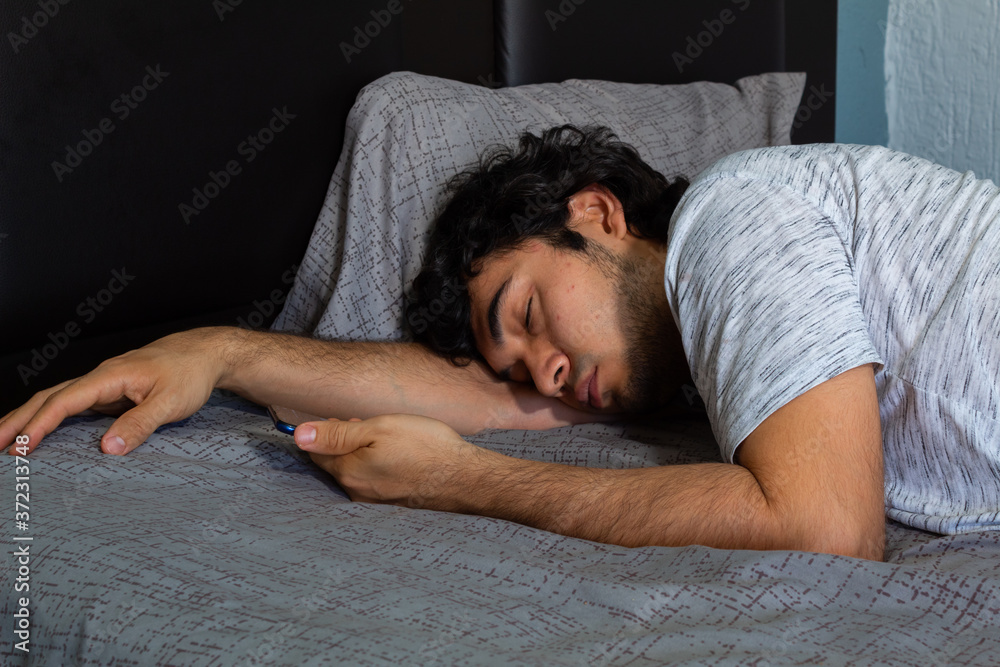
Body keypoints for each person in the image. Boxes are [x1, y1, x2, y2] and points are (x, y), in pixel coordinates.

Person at [3, 126, 998, 561]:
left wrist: (458, 480)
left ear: (601, 214)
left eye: (526, 313)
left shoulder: (730, 219)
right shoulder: (694, 361)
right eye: (521, 362)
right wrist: (217, 353)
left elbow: (825, 527)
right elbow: (476, 397)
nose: (546, 373)